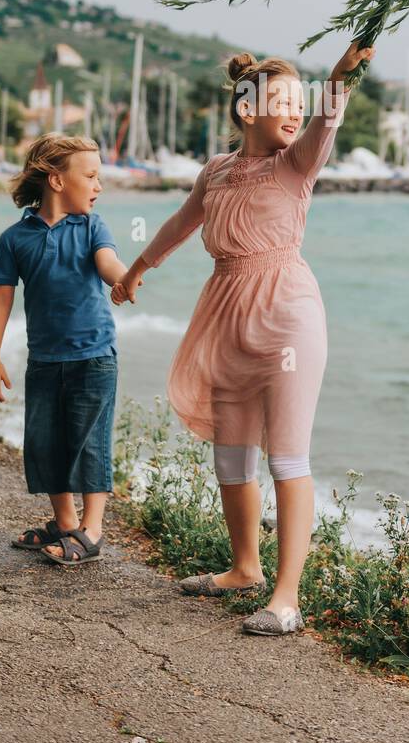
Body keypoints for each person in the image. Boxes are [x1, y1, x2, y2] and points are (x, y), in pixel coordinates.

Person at [113, 40, 374, 633]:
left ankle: (287, 599)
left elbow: (328, 120)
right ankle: (244, 568)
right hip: (227, 313)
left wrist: (340, 75)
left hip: (288, 315)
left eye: (299, 102)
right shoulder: (218, 171)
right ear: (246, 109)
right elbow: (182, 223)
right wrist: (137, 270)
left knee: (286, 455)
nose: (293, 111)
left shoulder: (296, 165)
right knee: (231, 453)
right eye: (281, 101)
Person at [0, 134, 129, 566]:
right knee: (45, 444)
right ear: (56, 180)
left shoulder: (93, 226)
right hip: (44, 360)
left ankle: (93, 530)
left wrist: (124, 278)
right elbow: (0, 298)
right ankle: (66, 522)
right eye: (90, 175)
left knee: (89, 443)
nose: (98, 185)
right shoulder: (15, 238)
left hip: (94, 357)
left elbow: (108, 264)